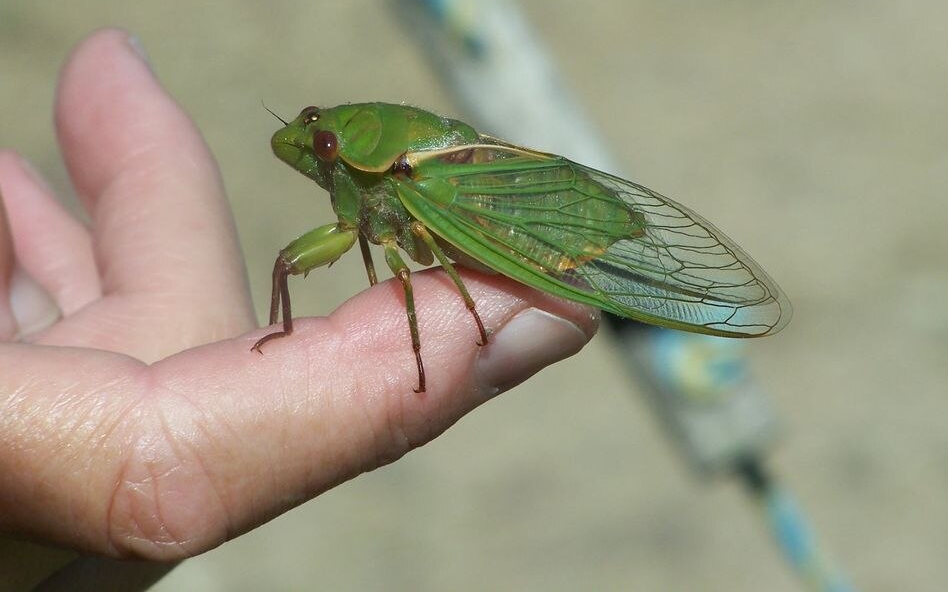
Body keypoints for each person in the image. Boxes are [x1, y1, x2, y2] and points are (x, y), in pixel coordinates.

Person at [0, 30, 598, 590]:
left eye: (324, 143)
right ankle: (278, 333)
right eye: (317, 132)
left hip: (497, 209)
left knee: (406, 270)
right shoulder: (367, 185)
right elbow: (365, 232)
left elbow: (416, 261)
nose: (313, 148)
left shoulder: (402, 179)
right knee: (291, 260)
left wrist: (449, 322)